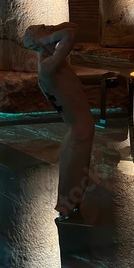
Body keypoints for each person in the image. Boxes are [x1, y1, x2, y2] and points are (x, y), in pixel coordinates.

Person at [23, 22, 94, 220]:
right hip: (79, 131)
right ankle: (66, 212)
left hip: (80, 131)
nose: (48, 28)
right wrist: (44, 39)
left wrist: (46, 33)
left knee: (79, 175)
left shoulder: (56, 63)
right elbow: (70, 34)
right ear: (37, 41)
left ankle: (73, 208)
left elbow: (71, 27)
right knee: (73, 176)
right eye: (42, 28)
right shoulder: (47, 66)